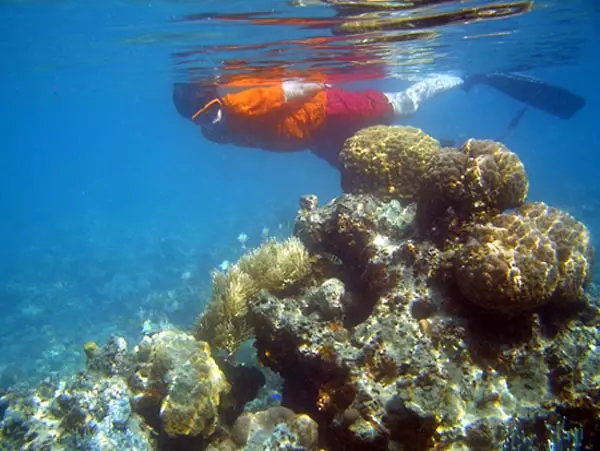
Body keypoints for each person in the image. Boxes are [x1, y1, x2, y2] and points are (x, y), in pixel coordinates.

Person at [172, 73, 586, 167]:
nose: (207, 122)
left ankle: (462, 76)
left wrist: (321, 80)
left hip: (327, 111)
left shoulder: (238, 106)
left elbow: (297, 90)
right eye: (200, 119)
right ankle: (447, 149)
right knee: (372, 160)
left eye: (208, 112)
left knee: (401, 105)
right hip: (318, 136)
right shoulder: (220, 126)